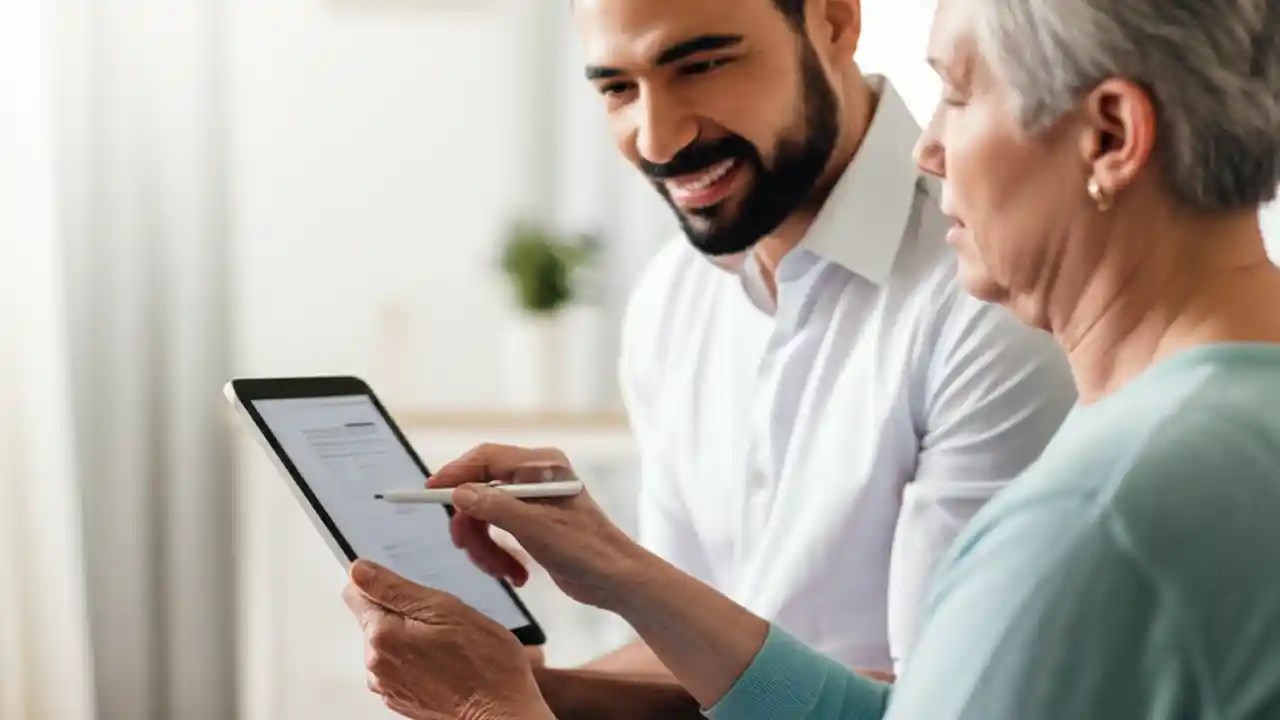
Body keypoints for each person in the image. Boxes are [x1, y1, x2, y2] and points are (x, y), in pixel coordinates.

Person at [342, 0, 1280, 716]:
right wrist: (600, 597)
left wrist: (491, 708)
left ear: (1110, 136)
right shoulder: (674, 300)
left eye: (957, 91)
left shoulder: (1088, 510)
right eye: (616, 88)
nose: (929, 146)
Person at [536, 0, 1075, 688]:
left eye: (702, 64)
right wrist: (512, 685)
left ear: (835, 22)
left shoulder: (991, 295)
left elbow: (959, 693)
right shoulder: (669, 299)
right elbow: (686, 657)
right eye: (616, 87)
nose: (658, 139)